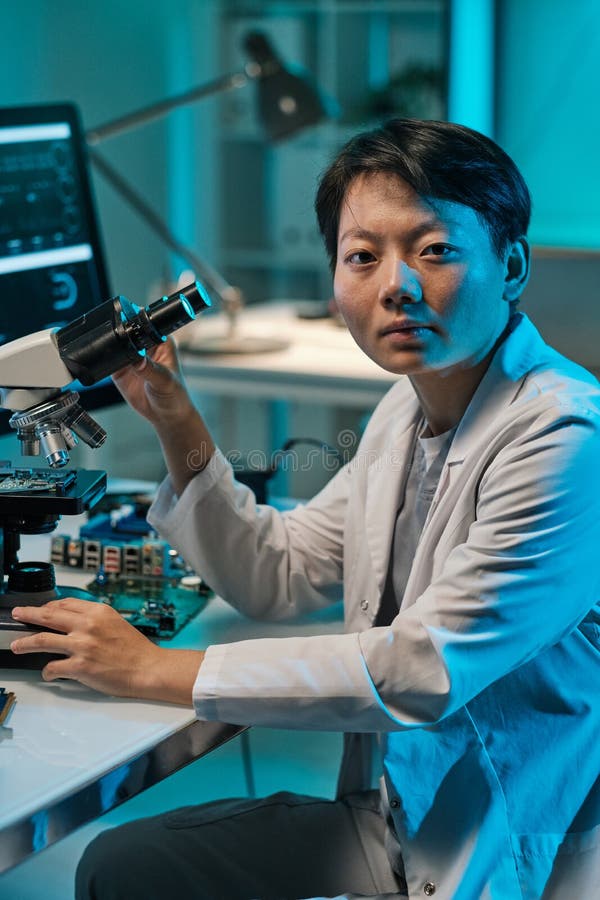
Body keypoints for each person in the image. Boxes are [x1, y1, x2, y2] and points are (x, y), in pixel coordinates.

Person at [10, 119, 600, 900]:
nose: (397, 285)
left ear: (512, 264)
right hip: (398, 817)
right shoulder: (404, 410)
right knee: (121, 868)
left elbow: (423, 670)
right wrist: (174, 419)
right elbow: (279, 574)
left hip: (507, 845)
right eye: (363, 257)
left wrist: (155, 669)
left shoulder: (567, 435)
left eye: (436, 250)